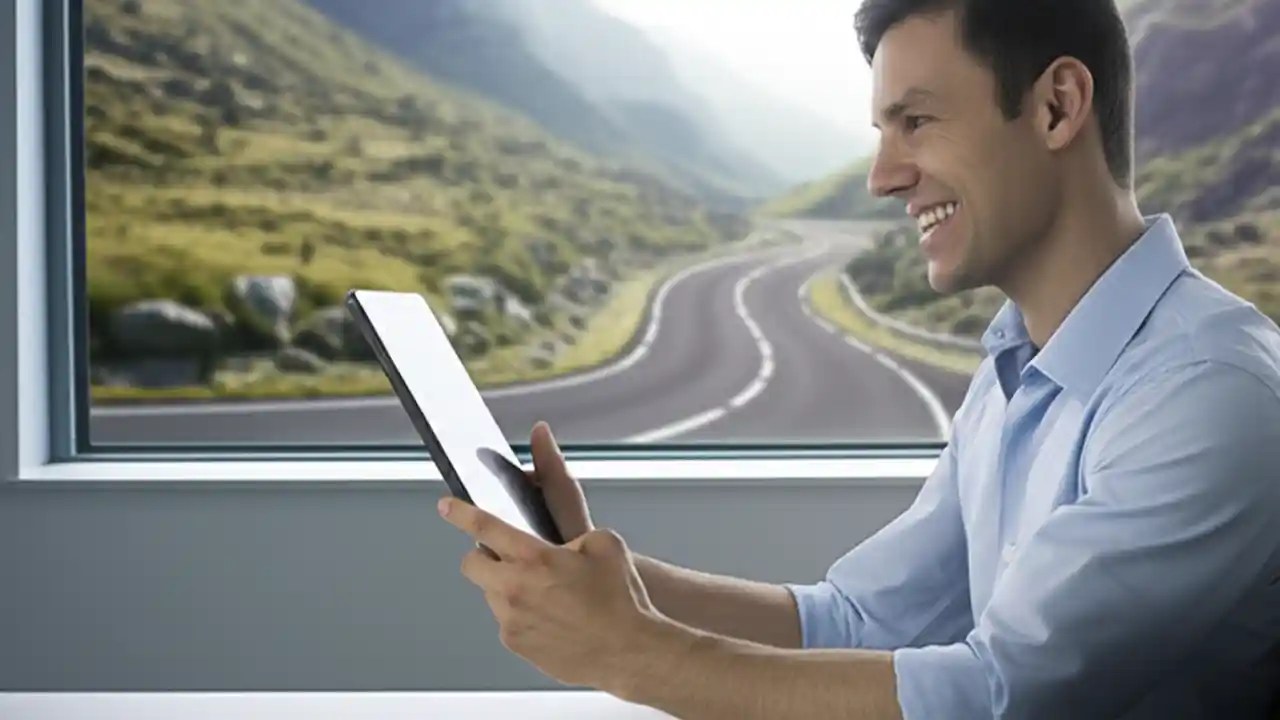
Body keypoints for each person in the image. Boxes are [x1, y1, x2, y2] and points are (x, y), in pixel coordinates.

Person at [436, 0, 1280, 717]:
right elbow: (853, 623)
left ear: (1057, 107)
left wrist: (630, 652)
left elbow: (997, 697)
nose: (883, 177)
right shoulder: (1019, 372)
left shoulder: (1207, 392)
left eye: (917, 122)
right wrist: (591, 576)